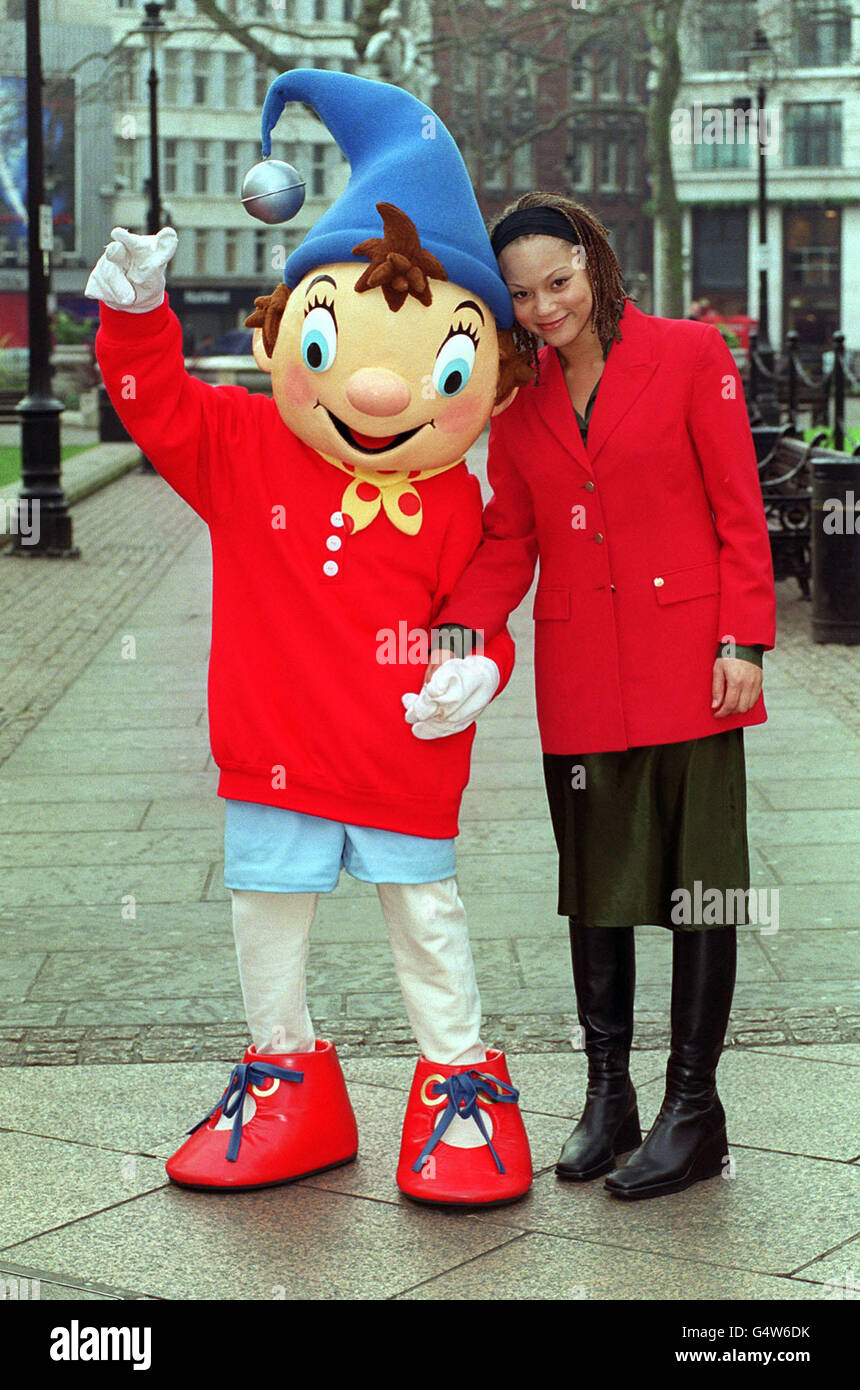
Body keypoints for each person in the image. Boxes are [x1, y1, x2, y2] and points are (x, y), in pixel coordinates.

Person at [85, 70, 533, 1208]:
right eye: (337, 344)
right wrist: (136, 315)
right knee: (266, 914)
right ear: (284, 328)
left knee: (423, 915)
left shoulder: (454, 501)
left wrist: (477, 659)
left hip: (397, 748)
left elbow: (484, 590)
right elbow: (160, 404)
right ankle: (287, 1075)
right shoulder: (243, 448)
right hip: (274, 739)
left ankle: (458, 1081)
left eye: (438, 368)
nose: (381, 388)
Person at [414, 191, 776, 1201]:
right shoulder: (519, 401)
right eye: (522, 295)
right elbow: (510, 539)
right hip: (581, 681)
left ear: (592, 262)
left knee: (702, 890)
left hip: (690, 669)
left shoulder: (689, 354)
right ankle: (607, 1096)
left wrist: (742, 636)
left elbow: (735, 504)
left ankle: (692, 1108)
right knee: (594, 892)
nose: (543, 308)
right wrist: (456, 629)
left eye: (557, 283)